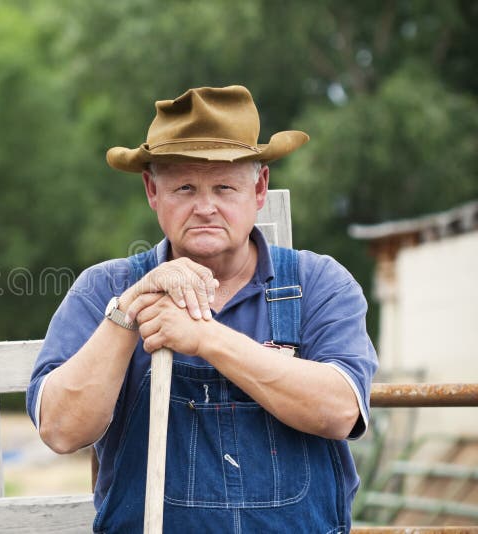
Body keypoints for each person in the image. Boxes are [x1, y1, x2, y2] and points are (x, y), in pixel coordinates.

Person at [26, 85, 378, 532]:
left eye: (225, 187)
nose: (205, 207)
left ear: (259, 188)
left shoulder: (318, 283)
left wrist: (205, 337)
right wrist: (127, 314)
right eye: (185, 187)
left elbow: (340, 410)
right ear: (153, 190)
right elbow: (60, 430)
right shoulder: (106, 289)